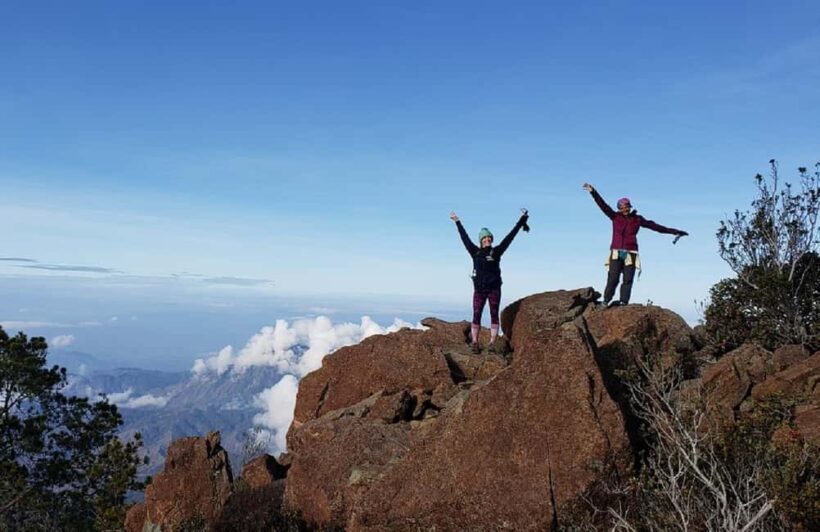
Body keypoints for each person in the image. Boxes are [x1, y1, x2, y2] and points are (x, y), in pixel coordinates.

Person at [583, 183, 688, 307]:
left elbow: (656, 227)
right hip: (616, 252)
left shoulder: (637, 219)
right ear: (619, 208)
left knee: (628, 279)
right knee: (613, 278)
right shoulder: (615, 217)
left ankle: (623, 302)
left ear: (629, 207)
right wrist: (593, 192)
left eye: (627, 207)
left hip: (631, 253)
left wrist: (675, 231)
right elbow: (602, 205)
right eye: (622, 207)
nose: (625, 209)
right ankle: (606, 301)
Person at [450, 209, 530, 353]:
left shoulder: (496, 252)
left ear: (491, 240)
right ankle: (475, 342)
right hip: (479, 290)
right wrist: (457, 222)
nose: (487, 240)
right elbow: (464, 238)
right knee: (476, 314)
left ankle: (492, 343)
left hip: (494, 288)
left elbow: (510, 237)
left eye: (489, 238)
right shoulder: (475, 252)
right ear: (481, 241)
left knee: (494, 314)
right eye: (484, 238)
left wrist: (521, 221)